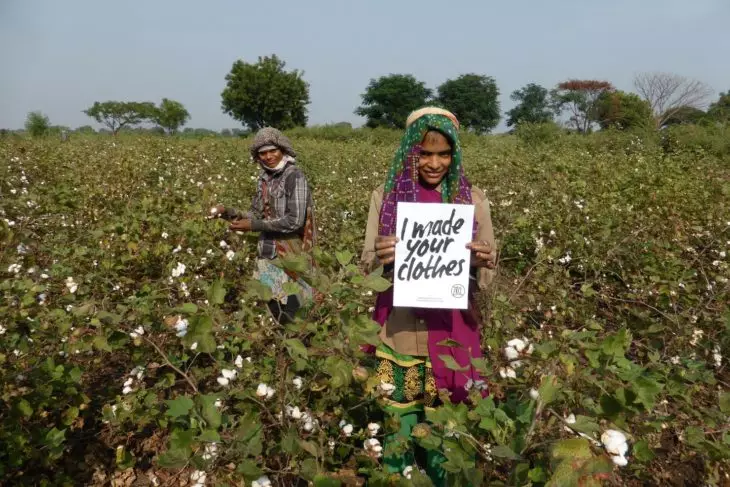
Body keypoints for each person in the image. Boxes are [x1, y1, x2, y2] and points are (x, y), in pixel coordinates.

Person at [361, 107, 496, 484]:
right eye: (425, 152)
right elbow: (365, 262)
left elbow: (489, 268)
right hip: (399, 328)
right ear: (410, 151)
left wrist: (482, 258)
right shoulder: (385, 198)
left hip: (452, 330)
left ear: (455, 154)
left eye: (444, 153)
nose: (434, 163)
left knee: (447, 425)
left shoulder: (473, 200)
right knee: (399, 422)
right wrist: (382, 255)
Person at [212, 127, 316, 324]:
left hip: (292, 254)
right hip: (268, 254)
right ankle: (283, 349)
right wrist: (227, 212)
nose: (268, 156)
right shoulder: (264, 179)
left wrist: (253, 225)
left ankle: (299, 350)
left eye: (272, 151)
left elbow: (295, 221)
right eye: (263, 153)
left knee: (296, 307)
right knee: (274, 305)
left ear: (282, 150)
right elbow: (256, 214)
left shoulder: (295, 177)